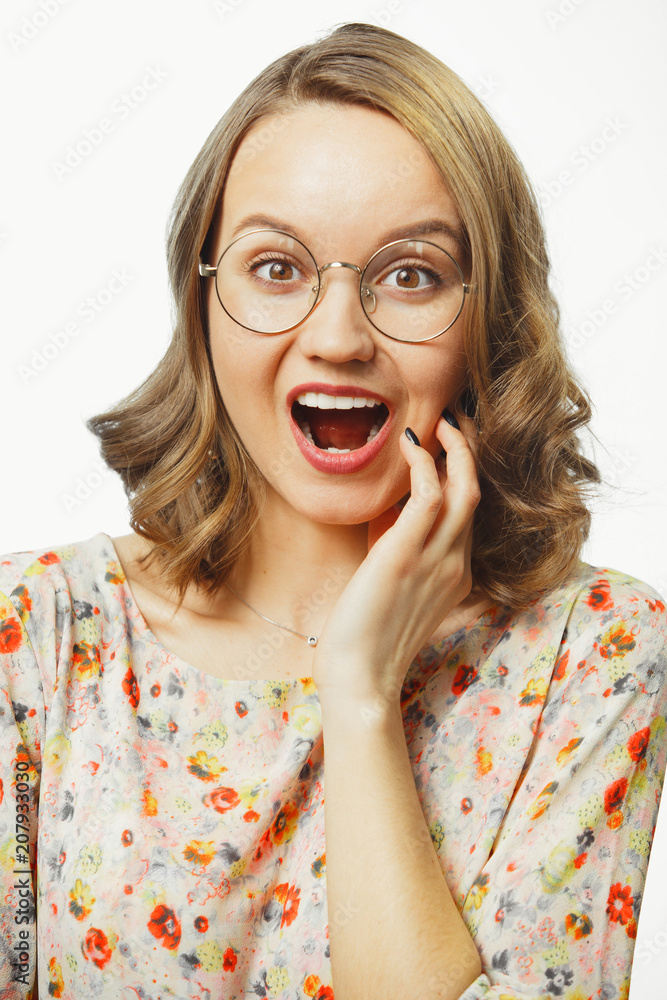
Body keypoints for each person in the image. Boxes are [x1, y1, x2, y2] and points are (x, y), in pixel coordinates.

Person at [0, 20, 664, 1000]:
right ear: (202, 302)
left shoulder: (594, 653)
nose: (339, 337)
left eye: (411, 274)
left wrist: (358, 694)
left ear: (487, 314)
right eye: (277, 268)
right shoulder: (37, 637)